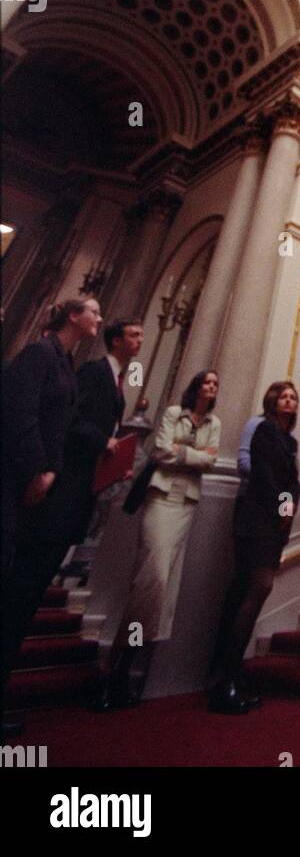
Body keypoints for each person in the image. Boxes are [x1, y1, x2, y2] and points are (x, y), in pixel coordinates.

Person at [4, 317, 141, 686]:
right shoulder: (95, 372)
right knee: (21, 591)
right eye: (133, 334)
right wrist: (104, 443)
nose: (140, 340)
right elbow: (69, 419)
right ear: (116, 340)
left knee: (28, 595)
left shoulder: (118, 379)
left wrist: (112, 463)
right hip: (62, 492)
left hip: (80, 490)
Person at [94, 370, 220, 710]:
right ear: (196, 386)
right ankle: (116, 666)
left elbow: (211, 459)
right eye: (207, 382)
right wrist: (192, 455)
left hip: (186, 504)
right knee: (151, 581)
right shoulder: (172, 413)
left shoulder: (214, 423)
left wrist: (185, 452)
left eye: (215, 385)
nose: (211, 387)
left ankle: (125, 669)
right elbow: (162, 451)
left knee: (162, 589)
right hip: (160, 499)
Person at [2, 297, 102, 722]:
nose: (99, 318)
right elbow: (18, 415)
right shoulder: (39, 354)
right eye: (93, 312)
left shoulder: (66, 363)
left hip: (39, 493)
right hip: (14, 485)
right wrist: (38, 470)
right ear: (73, 316)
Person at [210, 382, 300, 713]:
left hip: (274, 523)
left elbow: (293, 484)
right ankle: (226, 679)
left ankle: (227, 672)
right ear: (272, 402)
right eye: (284, 396)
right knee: (258, 587)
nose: (290, 401)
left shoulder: (290, 441)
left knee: (245, 591)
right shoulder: (263, 430)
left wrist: (287, 512)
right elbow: (262, 477)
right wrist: (280, 506)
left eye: (294, 398)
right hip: (256, 520)